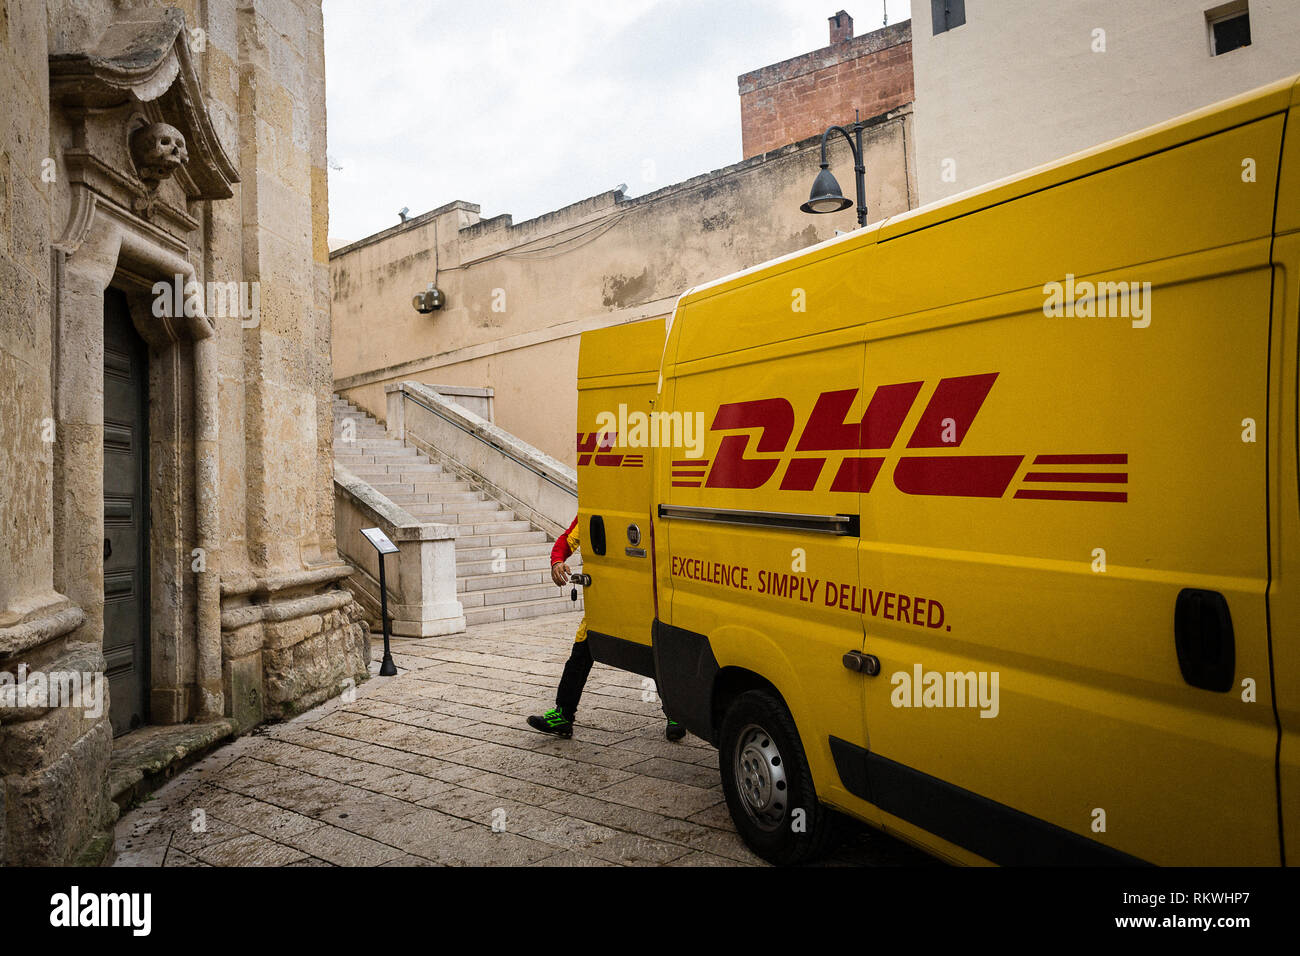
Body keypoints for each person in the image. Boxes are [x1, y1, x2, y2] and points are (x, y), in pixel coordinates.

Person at [527, 515, 685, 741]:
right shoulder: (592, 509)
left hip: (644, 596)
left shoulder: (649, 506)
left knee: (656, 653)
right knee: (581, 652)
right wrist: (557, 561)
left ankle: (675, 715)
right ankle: (563, 715)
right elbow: (567, 540)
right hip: (606, 596)